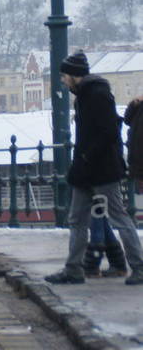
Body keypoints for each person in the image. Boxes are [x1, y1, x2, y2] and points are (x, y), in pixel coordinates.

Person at [45, 52, 143, 285]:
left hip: (101, 170)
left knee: (118, 218)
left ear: (73, 75)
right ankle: (74, 269)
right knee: (77, 219)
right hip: (86, 170)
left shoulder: (97, 95)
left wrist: (87, 156)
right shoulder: (85, 95)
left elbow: (109, 131)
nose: (62, 80)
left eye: (64, 75)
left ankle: (139, 267)